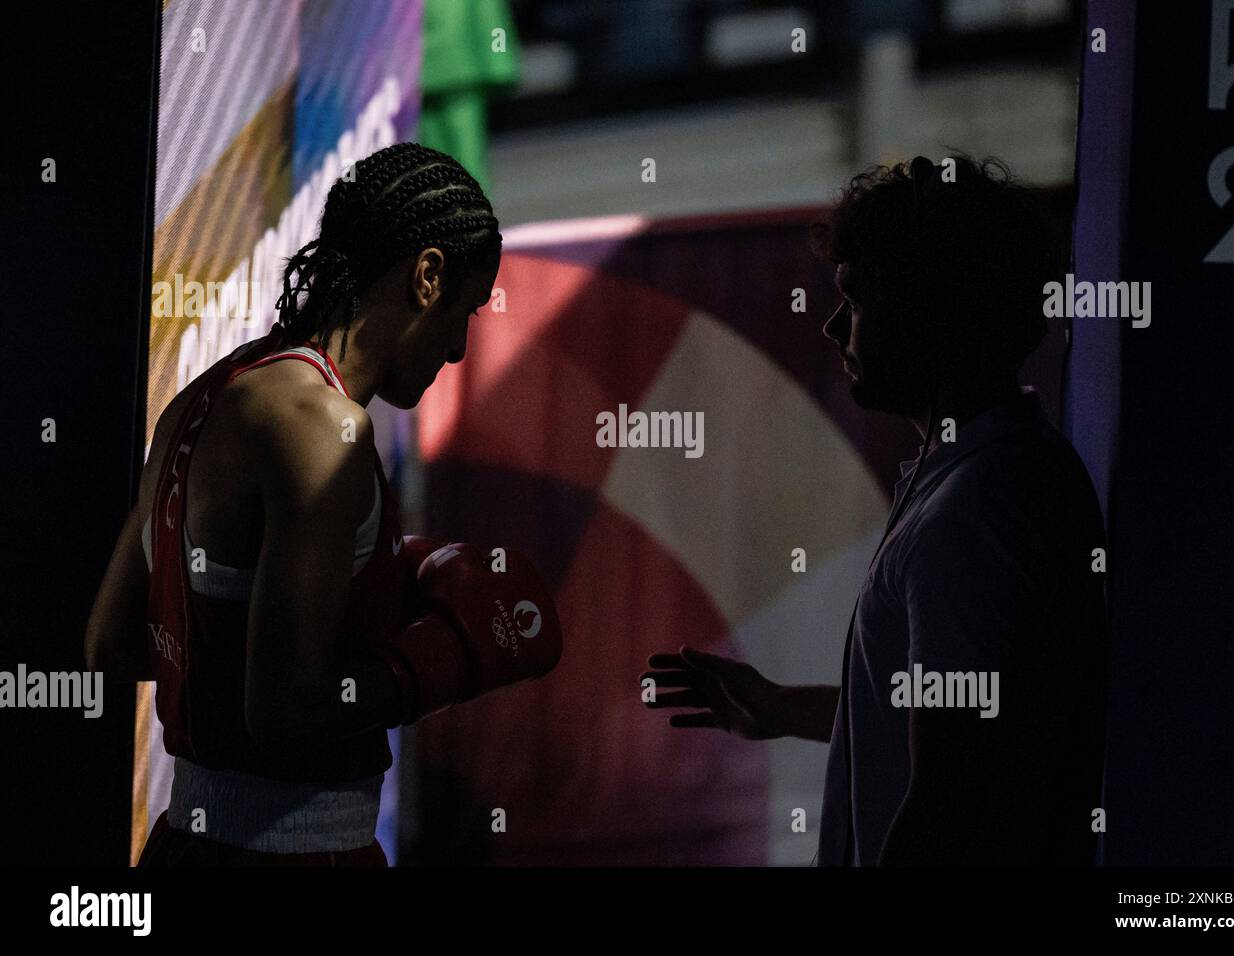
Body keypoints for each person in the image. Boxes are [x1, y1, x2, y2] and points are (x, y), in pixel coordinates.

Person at [84, 143, 562, 866]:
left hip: (181, 847)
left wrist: (354, 610)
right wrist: (442, 658)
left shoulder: (204, 395)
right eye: (463, 310)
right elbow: (286, 717)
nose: (459, 350)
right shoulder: (327, 430)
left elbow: (112, 644)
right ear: (427, 277)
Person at [644, 155, 1109, 866]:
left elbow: (948, 800)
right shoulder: (989, 479)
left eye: (857, 302)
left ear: (931, 316)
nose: (834, 328)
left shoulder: (975, 509)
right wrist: (778, 708)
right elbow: (950, 728)